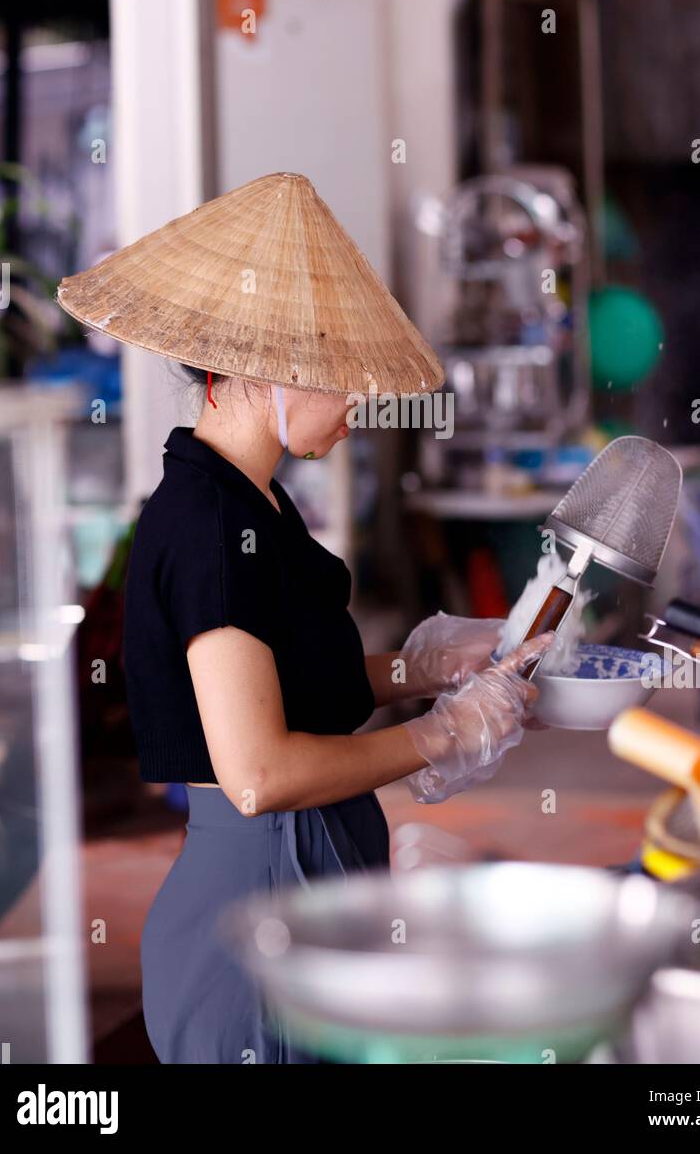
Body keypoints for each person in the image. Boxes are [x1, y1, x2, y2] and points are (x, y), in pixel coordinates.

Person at [57, 172, 547, 1064]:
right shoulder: (207, 526)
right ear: (264, 363)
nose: (360, 397)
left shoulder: (256, 504)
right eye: (344, 371)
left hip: (309, 876)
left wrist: (428, 666)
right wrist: (440, 737)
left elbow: (294, 686)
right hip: (253, 918)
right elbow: (260, 772)